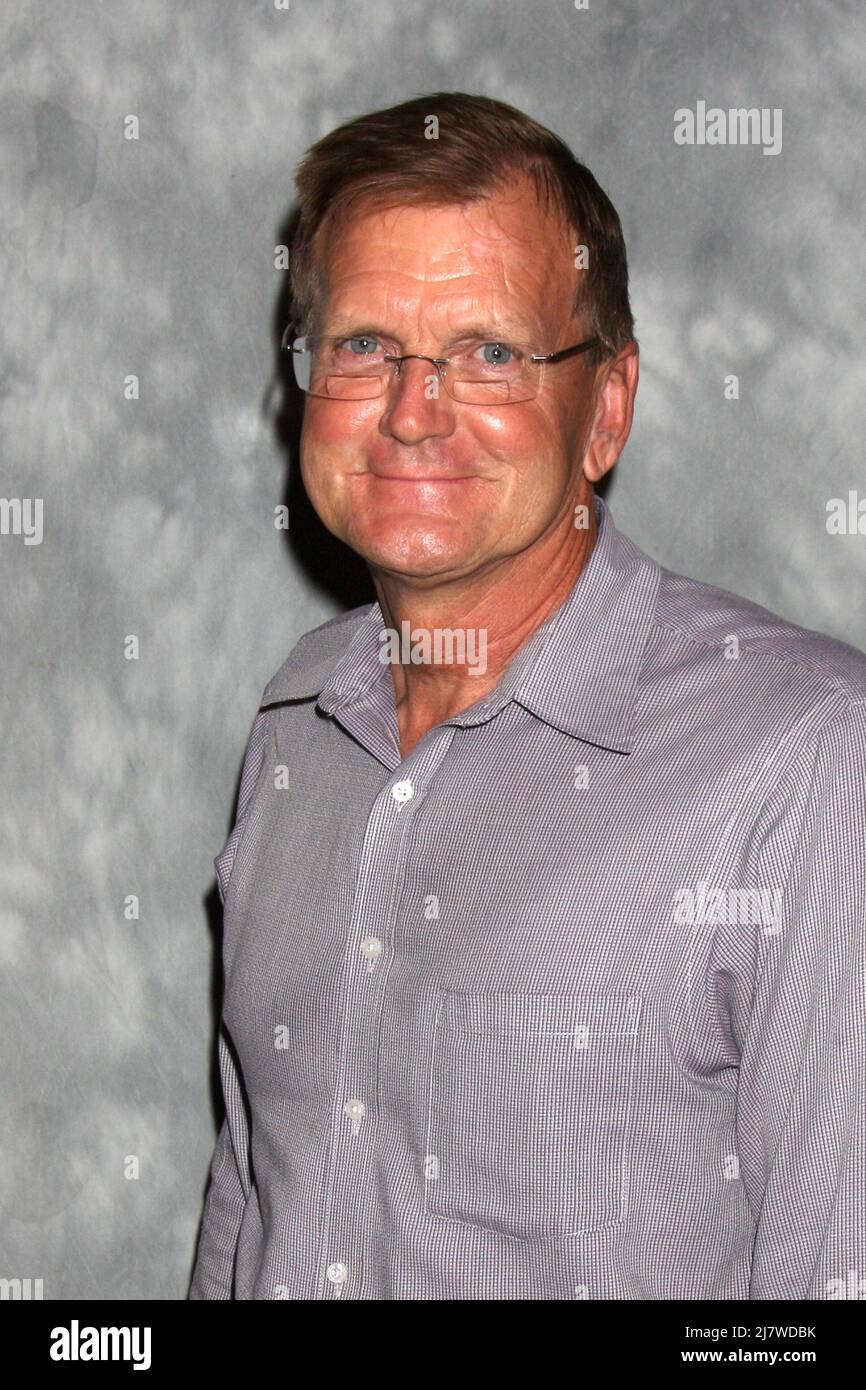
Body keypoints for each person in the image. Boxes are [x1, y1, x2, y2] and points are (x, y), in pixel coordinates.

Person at [189, 92, 865, 1300]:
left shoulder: (806, 759)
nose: (409, 411)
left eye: (488, 353)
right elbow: (248, 1208)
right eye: (361, 346)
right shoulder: (293, 726)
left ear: (605, 407)